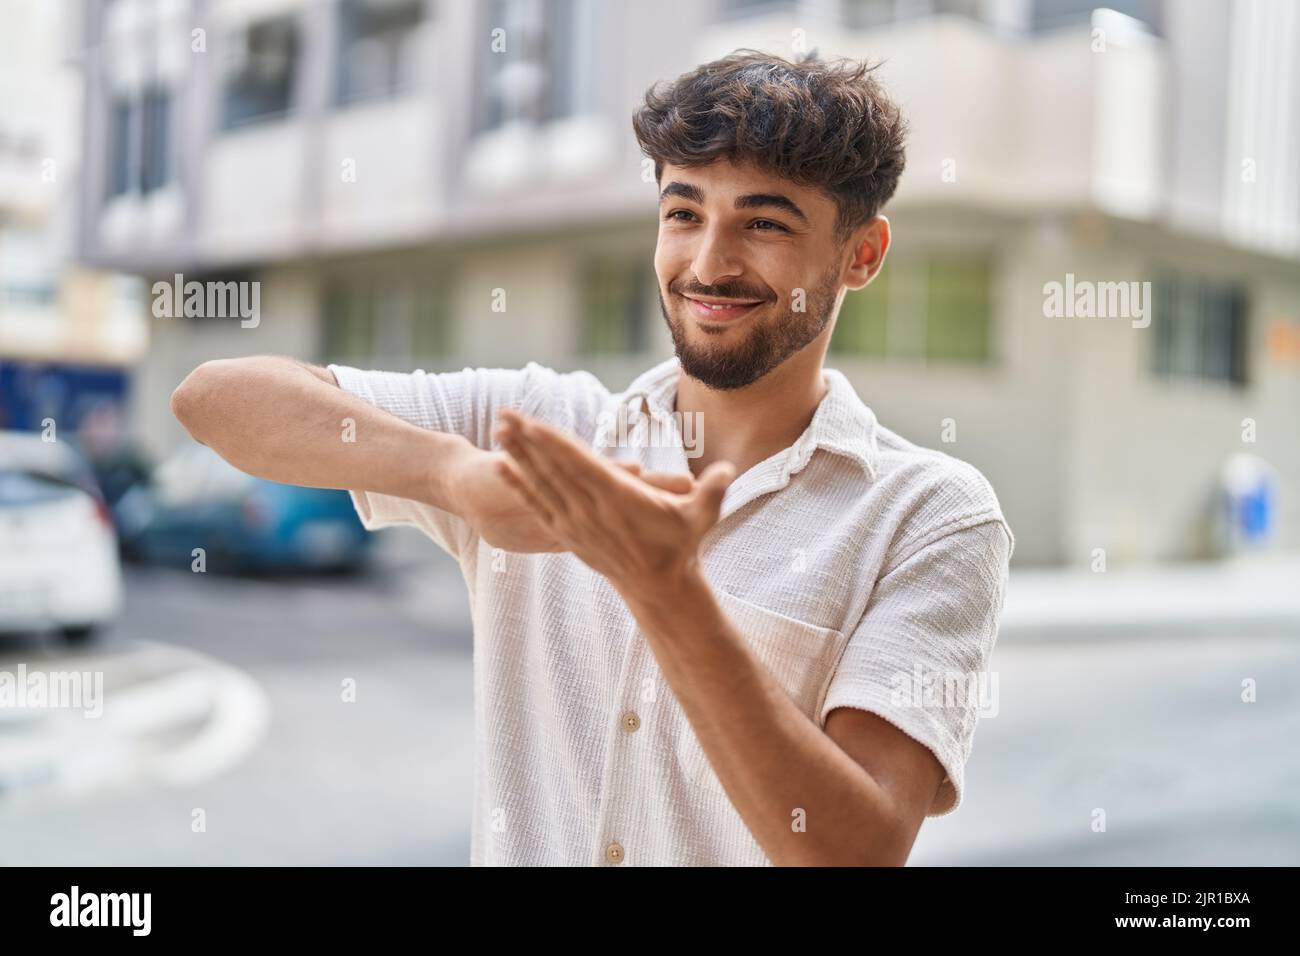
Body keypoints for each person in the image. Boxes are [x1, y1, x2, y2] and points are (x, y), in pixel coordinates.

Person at [171, 49, 1013, 866]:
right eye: (684, 213)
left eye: (763, 223)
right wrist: (452, 476)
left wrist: (668, 593)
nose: (709, 264)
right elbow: (215, 399)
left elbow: (855, 852)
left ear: (860, 254)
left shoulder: (931, 515)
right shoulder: (546, 431)